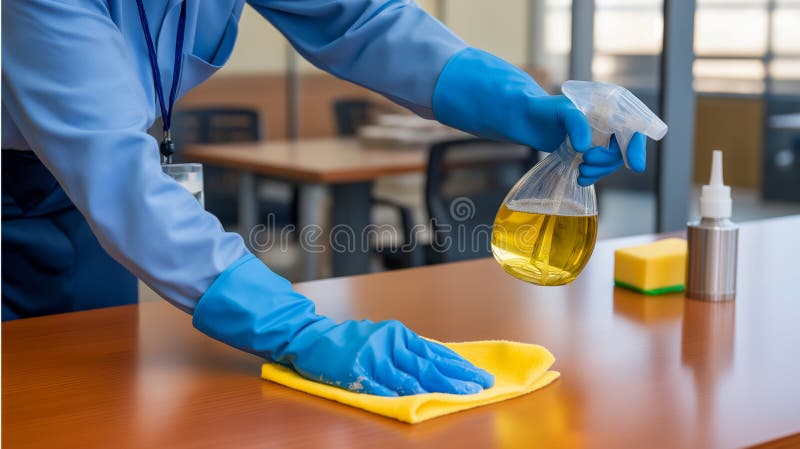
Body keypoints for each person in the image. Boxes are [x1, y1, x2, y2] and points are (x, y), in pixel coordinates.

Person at [2, 0, 647, 396]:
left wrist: (520, 104)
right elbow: (117, 173)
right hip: (55, 183)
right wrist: (302, 331)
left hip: (84, 209)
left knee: (90, 392)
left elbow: (363, 20)